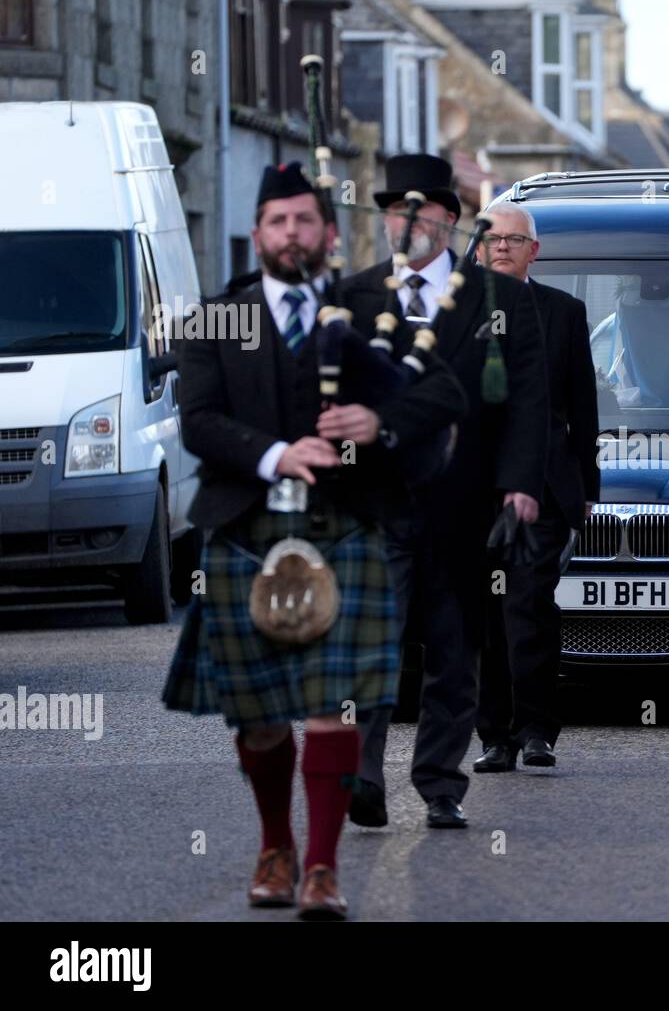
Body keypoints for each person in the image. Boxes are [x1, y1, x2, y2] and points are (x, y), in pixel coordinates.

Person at [162, 162, 466, 919]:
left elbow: (442, 395)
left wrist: (378, 422)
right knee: (261, 716)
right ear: (259, 233)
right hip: (246, 527)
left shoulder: (368, 311)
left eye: (304, 220)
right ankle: (276, 843)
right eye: (276, 221)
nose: (290, 233)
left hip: (346, 525)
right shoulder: (217, 317)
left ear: (328, 233)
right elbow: (197, 420)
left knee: (332, 704)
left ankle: (322, 866)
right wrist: (275, 453)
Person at [339, 154, 550, 829]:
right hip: (377, 501)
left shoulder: (503, 300)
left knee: (454, 650)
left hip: (464, 504)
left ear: (450, 220)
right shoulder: (352, 298)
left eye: (421, 210)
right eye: (395, 210)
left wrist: (519, 485)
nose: (407, 221)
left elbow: (527, 405)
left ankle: (439, 783)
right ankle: (363, 773)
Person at [474, 201, 600, 772]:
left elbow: (584, 411)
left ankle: (536, 731)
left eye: (514, 240)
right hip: (470, 492)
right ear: (478, 248)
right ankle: (493, 736)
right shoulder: (452, 314)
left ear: (534, 251)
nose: (502, 247)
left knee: (527, 605)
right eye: (493, 239)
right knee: (484, 611)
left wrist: (586, 490)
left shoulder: (564, 313)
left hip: (543, 490)